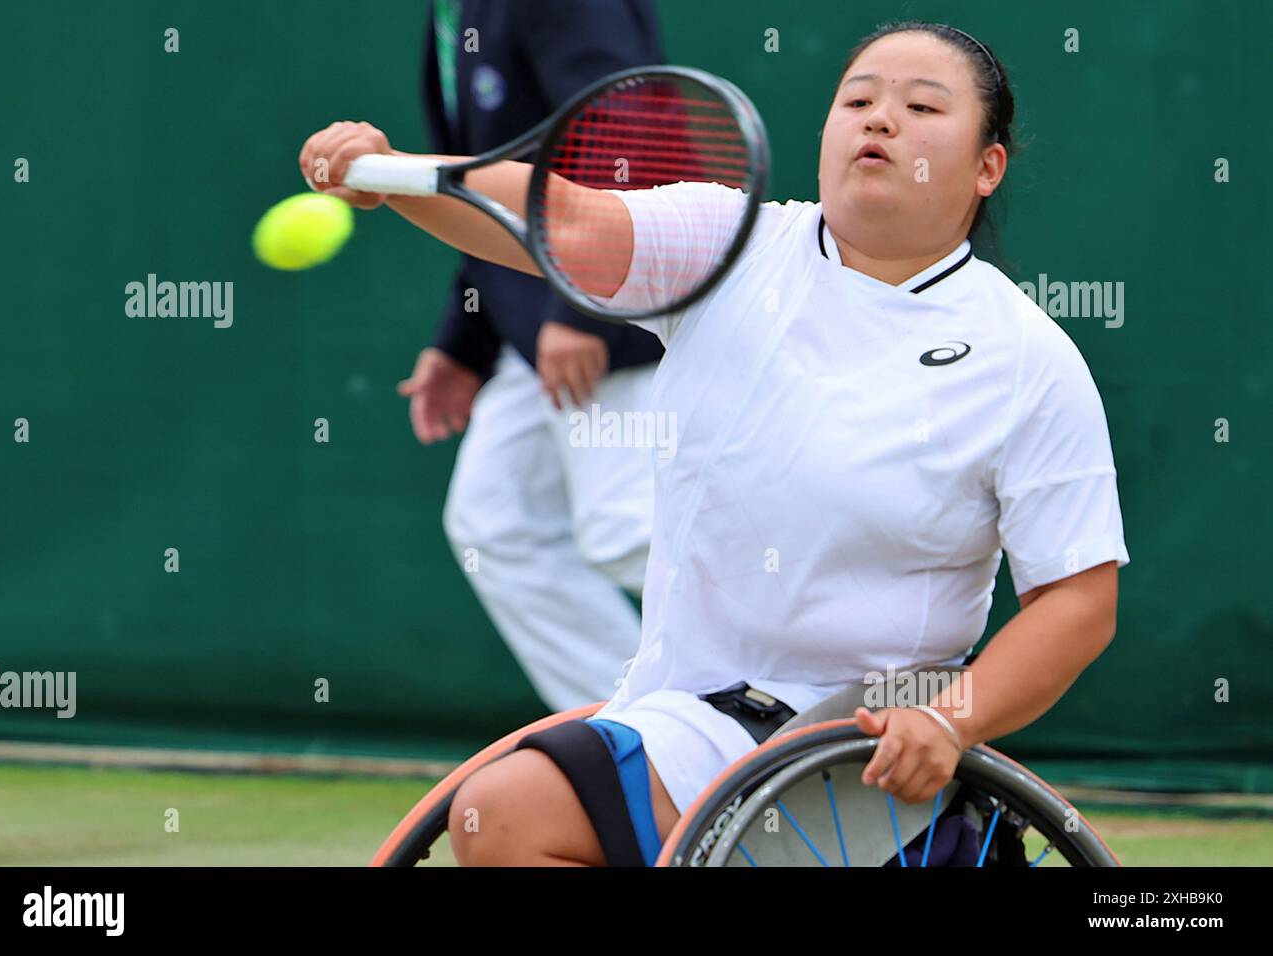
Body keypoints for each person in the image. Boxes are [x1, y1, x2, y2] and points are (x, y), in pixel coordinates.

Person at [299, 20, 1130, 867]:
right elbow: (572, 220)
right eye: (859, 100)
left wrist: (951, 718)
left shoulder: (1029, 359)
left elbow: (1077, 602)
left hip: (866, 761)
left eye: (922, 107)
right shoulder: (732, 243)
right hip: (686, 720)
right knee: (503, 817)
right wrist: (397, 177)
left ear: (988, 166)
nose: (881, 121)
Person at [401, 0, 667, 711]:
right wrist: (464, 344)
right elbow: (490, 189)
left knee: (627, 531)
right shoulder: (452, 10)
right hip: (530, 324)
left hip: (607, 310)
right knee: (499, 525)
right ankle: (640, 734)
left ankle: (828, 674)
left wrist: (586, 309)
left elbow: (625, 129)